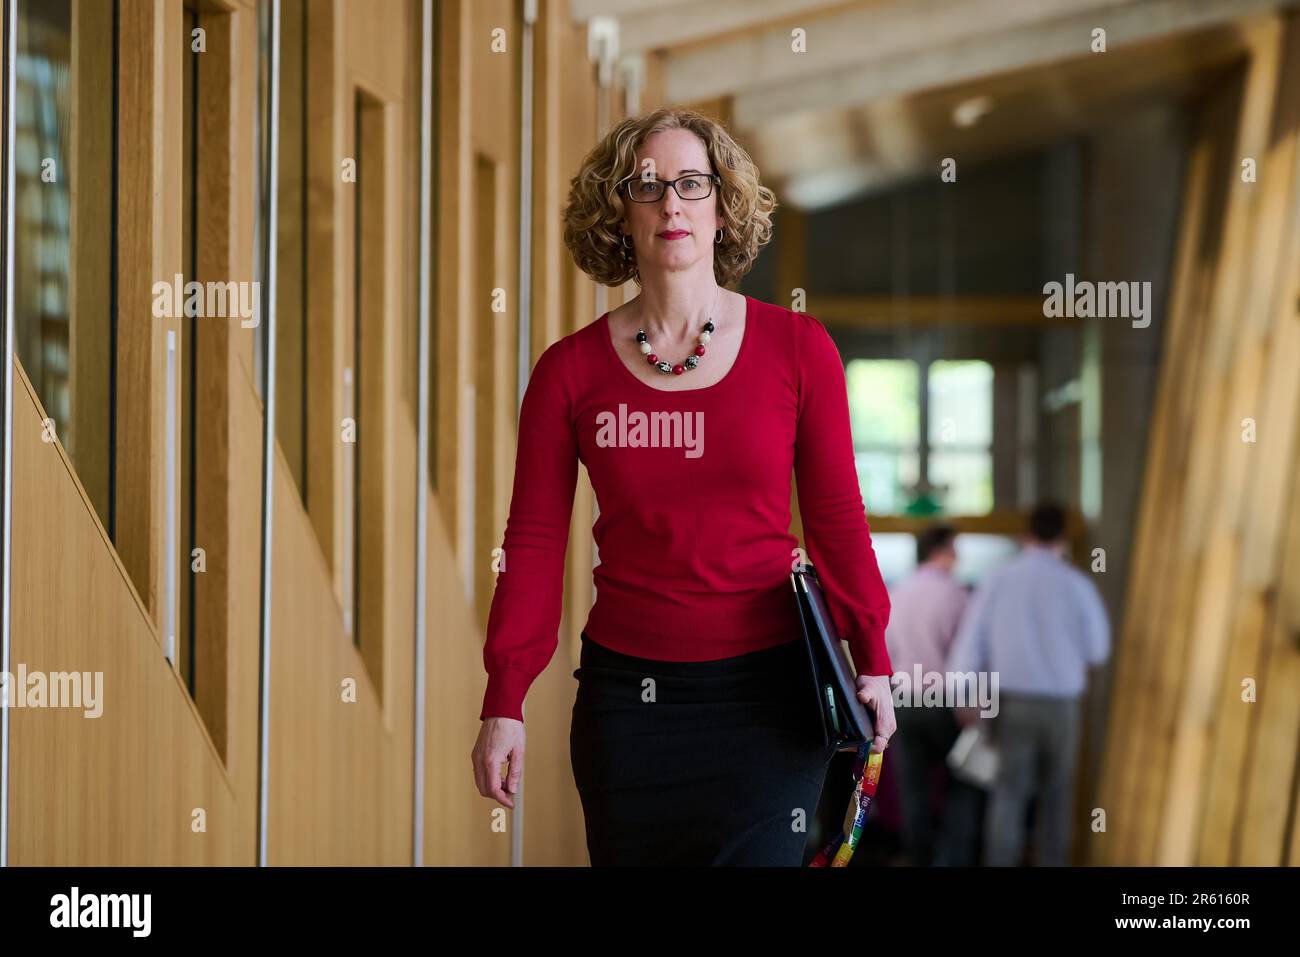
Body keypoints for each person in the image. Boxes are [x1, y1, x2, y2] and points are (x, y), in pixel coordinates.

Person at [469, 107, 896, 865]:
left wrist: (874, 658)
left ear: (722, 211)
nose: (672, 203)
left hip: (772, 700)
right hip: (629, 710)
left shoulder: (800, 350)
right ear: (619, 214)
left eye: (692, 184)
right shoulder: (568, 372)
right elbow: (532, 542)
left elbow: (836, 517)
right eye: (649, 185)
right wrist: (505, 697)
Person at [945, 502, 1110, 866]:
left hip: (1011, 704)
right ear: (1064, 539)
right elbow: (1097, 649)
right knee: (1057, 798)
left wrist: (962, 694)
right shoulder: (1078, 584)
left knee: (1008, 795)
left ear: (1026, 535)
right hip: (1062, 708)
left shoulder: (999, 580)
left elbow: (971, 643)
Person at [884, 524, 981, 866]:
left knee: (913, 787)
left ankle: (916, 856)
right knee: (962, 782)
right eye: (955, 549)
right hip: (944, 700)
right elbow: (969, 655)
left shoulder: (896, 593)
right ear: (940, 550)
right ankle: (953, 858)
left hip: (905, 700)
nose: (958, 557)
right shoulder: (957, 595)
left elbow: (887, 654)